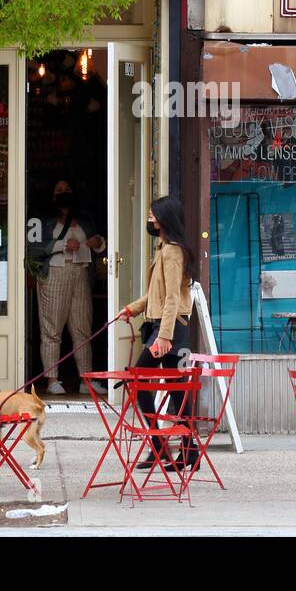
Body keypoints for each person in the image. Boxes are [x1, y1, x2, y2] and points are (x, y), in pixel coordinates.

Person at [117, 196, 198, 470]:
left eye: (152, 216)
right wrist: (132, 308)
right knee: (176, 388)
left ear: (165, 219)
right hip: (163, 326)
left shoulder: (173, 251)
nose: (149, 219)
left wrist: (163, 336)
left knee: (140, 378)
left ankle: (160, 445)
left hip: (169, 329)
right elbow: (156, 294)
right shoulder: (164, 248)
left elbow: (173, 298)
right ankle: (187, 450)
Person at [30, 179, 105, 395]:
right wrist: (62, 245)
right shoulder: (43, 221)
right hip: (54, 273)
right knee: (52, 330)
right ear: (52, 196)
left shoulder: (85, 219)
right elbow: (33, 248)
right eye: (59, 190)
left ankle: (86, 380)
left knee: (82, 328)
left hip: (81, 273)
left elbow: (100, 245)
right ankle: (52, 379)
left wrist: (98, 243)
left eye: (68, 189)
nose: (65, 193)